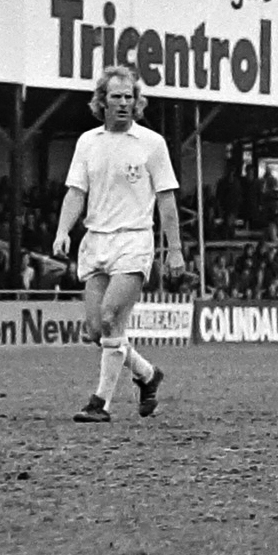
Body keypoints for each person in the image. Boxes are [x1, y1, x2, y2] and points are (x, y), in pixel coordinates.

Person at [50, 69, 183, 422]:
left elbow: (167, 200)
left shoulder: (152, 144)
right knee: (97, 331)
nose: (123, 103)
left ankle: (100, 404)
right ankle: (147, 374)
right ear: (102, 101)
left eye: (129, 96)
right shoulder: (87, 142)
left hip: (134, 240)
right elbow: (75, 192)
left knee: (111, 316)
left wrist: (175, 249)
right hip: (95, 241)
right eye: (116, 97)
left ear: (136, 101)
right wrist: (63, 231)